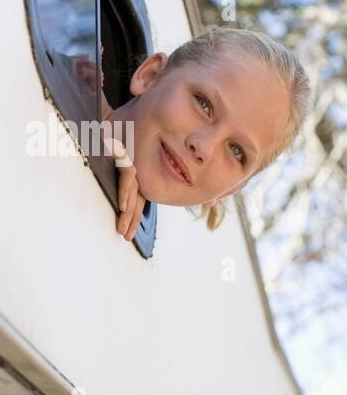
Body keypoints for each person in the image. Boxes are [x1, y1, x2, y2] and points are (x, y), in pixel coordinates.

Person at [100, 26, 311, 241]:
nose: (203, 147)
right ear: (150, 76)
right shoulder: (76, 75)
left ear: (230, 190)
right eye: (204, 104)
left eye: (236, 151)